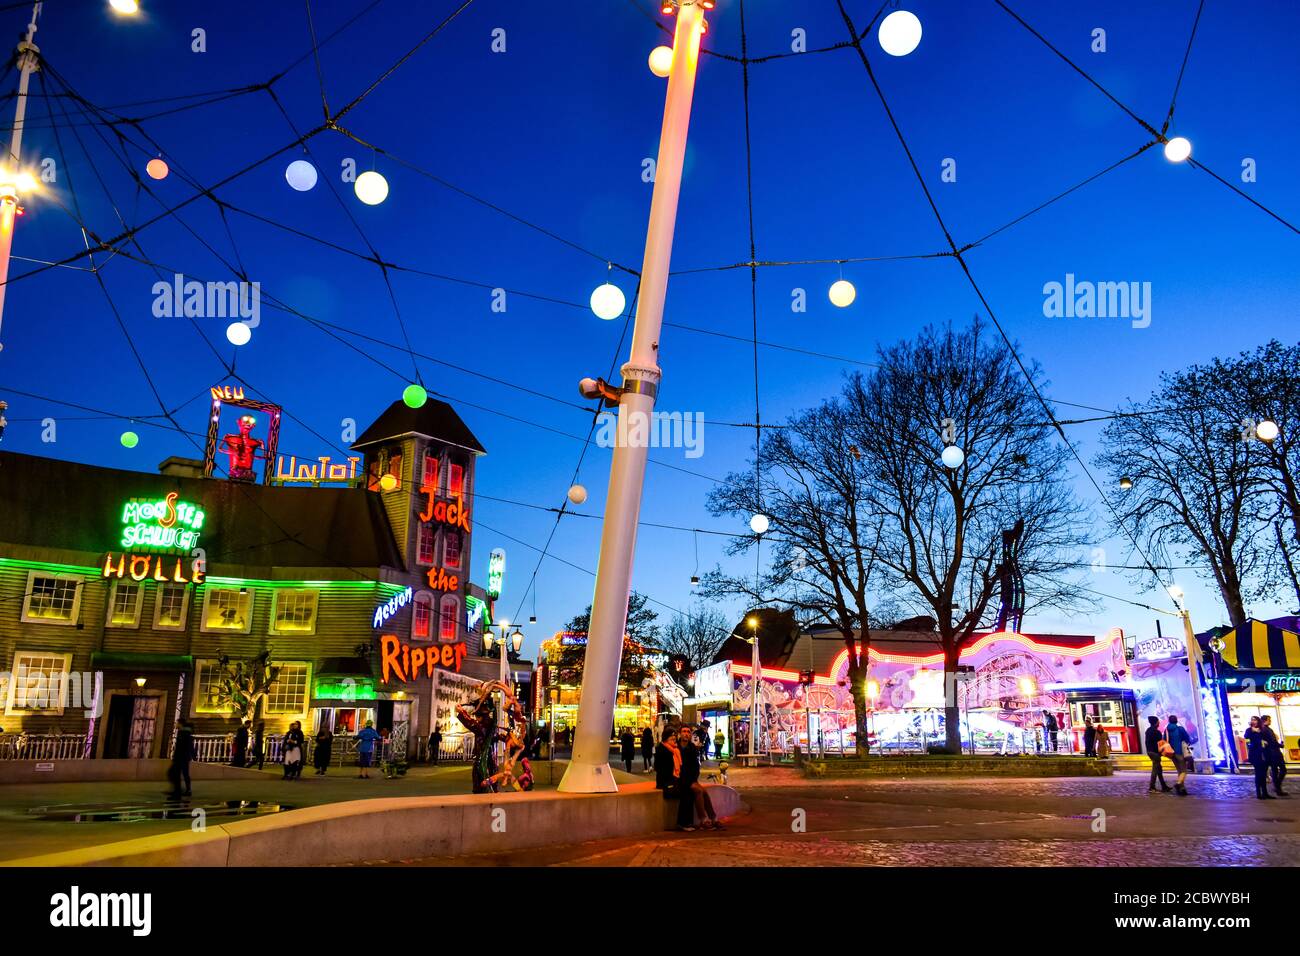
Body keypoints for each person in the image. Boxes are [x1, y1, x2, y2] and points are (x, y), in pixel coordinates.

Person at [678, 725, 723, 831]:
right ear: (680, 734)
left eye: (688, 732)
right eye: (684, 731)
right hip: (681, 780)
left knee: (704, 792)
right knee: (698, 791)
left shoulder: (692, 748)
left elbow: (696, 767)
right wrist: (690, 782)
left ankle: (713, 818)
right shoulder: (676, 748)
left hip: (691, 779)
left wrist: (693, 780)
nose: (686, 734)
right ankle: (703, 819)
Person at [1244, 716, 1273, 800]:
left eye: (1255, 719)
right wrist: (1252, 730)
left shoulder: (1262, 729)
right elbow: (1246, 737)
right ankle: (1259, 793)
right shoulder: (1249, 730)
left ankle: (1265, 792)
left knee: (1263, 774)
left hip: (1263, 754)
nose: (1253, 721)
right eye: (1252, 719)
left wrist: (1265, 742)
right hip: (1255, 754)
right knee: (1258, 773)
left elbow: (1267, 739)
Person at [1164, 715, 1191, 796]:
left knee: (1179, 771)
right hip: (1180, 751)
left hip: (1171, 753)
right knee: (1184, 771)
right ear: (1176, 720)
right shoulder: (1180, 729)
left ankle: (1182, 789)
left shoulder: (1166, 730)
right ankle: (1178, 783)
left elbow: (1165, 739)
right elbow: (1187, 738)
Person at [1261, 715, 1288, 796]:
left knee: (1276, 770)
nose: (1270, 721)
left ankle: (1277, 787)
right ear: (1265, 720)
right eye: (1269, 719)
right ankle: (1277, 787)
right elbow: (1272, 742)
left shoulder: (1267, 729)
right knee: (1281, 770)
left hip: (1273, 753)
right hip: (1274, 754)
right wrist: (1280, 745)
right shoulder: (1265, 729)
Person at [168, 719, 195, 798]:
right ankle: (182, 790)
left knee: (175, 773)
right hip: (183, 757)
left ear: (180, 724)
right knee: (182, 773)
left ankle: (179, 791)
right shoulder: (184, 732)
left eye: (177, 723)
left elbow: (184, 746)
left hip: (181, 757)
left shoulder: (184, 733)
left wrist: (176, 757)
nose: (176, 725)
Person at [1145, 716, 1172, 793]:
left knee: (1159, 769)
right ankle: (1152, 787)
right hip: (1155, 752)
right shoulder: (1157, 732)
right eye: (1158, 721)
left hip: (1150, 751)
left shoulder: (1148, 730)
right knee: (1155, 769)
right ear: (1156, 722)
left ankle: (1164, 786)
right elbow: (1160, 743)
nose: (1159, 723)